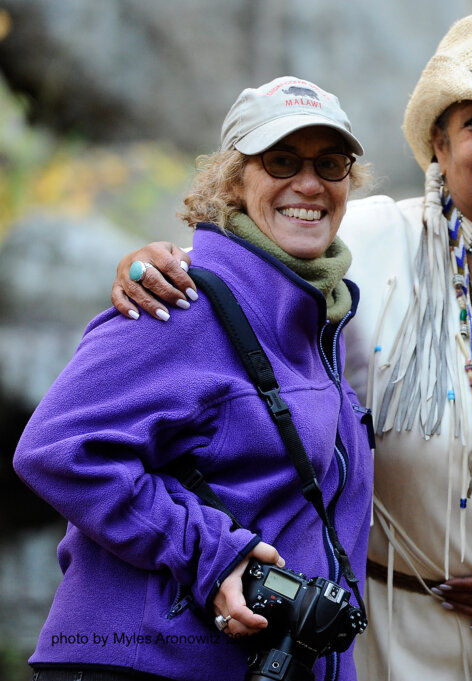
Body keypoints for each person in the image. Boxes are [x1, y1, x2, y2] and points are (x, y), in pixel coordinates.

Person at [108, 12, 472, 681]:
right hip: (389, 633)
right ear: (438, 149)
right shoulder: (366, 243)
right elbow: (235, 278)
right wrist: (149, 262)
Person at [15, 76, 374, 681]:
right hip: (144, 663)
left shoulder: (318, 322)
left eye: (330, 163)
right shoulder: (176, 299)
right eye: (281, 160)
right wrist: (217, 556)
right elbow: (56, 449)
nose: (309, 183)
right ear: (232, 181)